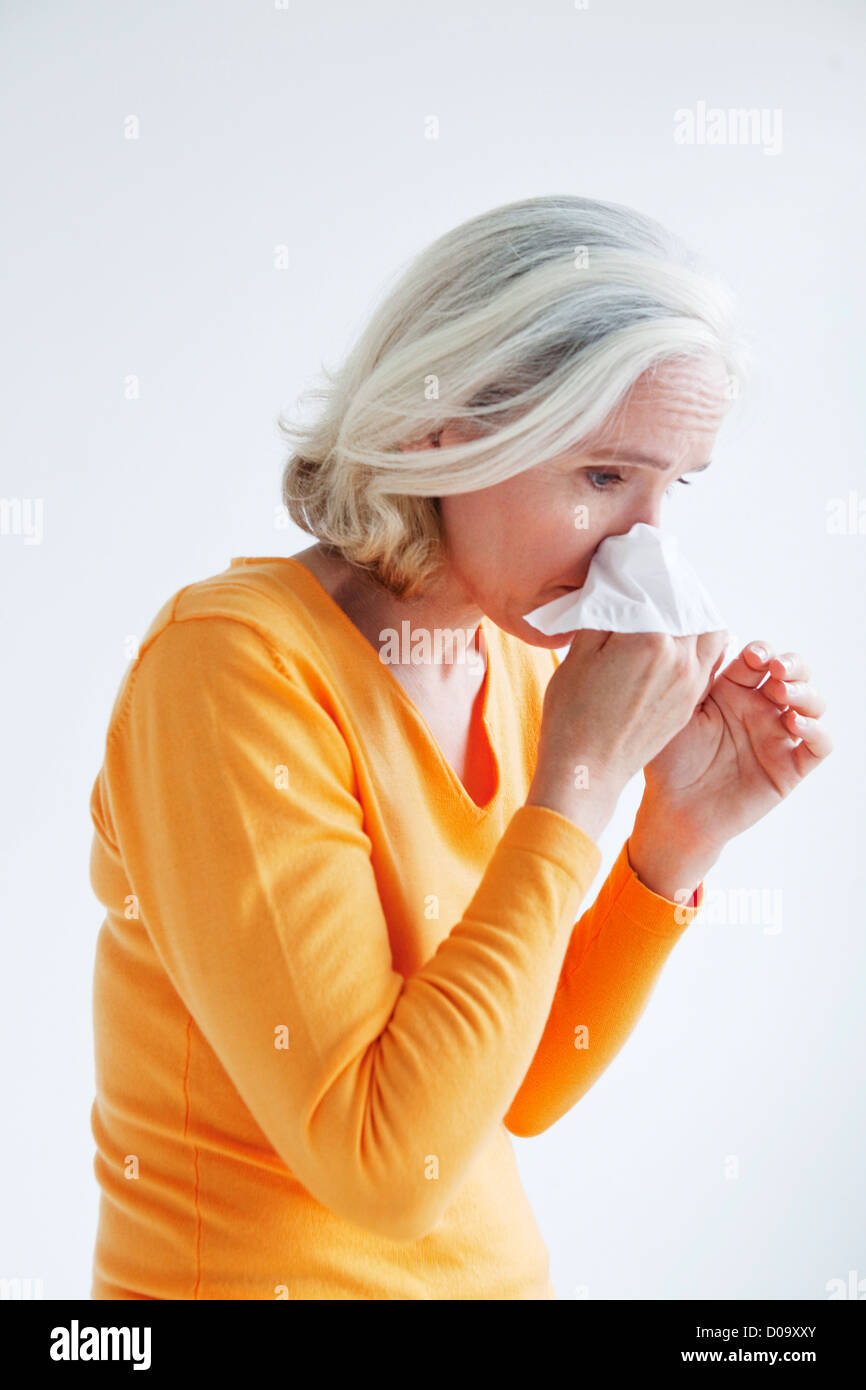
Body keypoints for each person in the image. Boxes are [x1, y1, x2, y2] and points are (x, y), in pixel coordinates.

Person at [88, 195, 831, 1300]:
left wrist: (664, 846)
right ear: (440, 429)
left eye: (672, 485)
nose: (645, 546)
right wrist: (574, 789)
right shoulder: (230, 669)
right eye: (600, 477)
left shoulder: (521, 663)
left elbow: (509, 1086)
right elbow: (384, 1167)